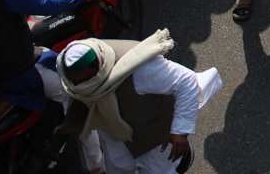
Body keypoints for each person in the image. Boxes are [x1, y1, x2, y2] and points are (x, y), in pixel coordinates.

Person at [57, 32, 221, 174]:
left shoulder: (137, 68)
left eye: (88, 74)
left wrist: (180, 131)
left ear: (97, 63)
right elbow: (85, 122)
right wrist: (94, 164)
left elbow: (186, 81)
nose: (84, 81)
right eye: (79, 78)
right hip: (115, 136)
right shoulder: (70, 82)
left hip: (154, 137)